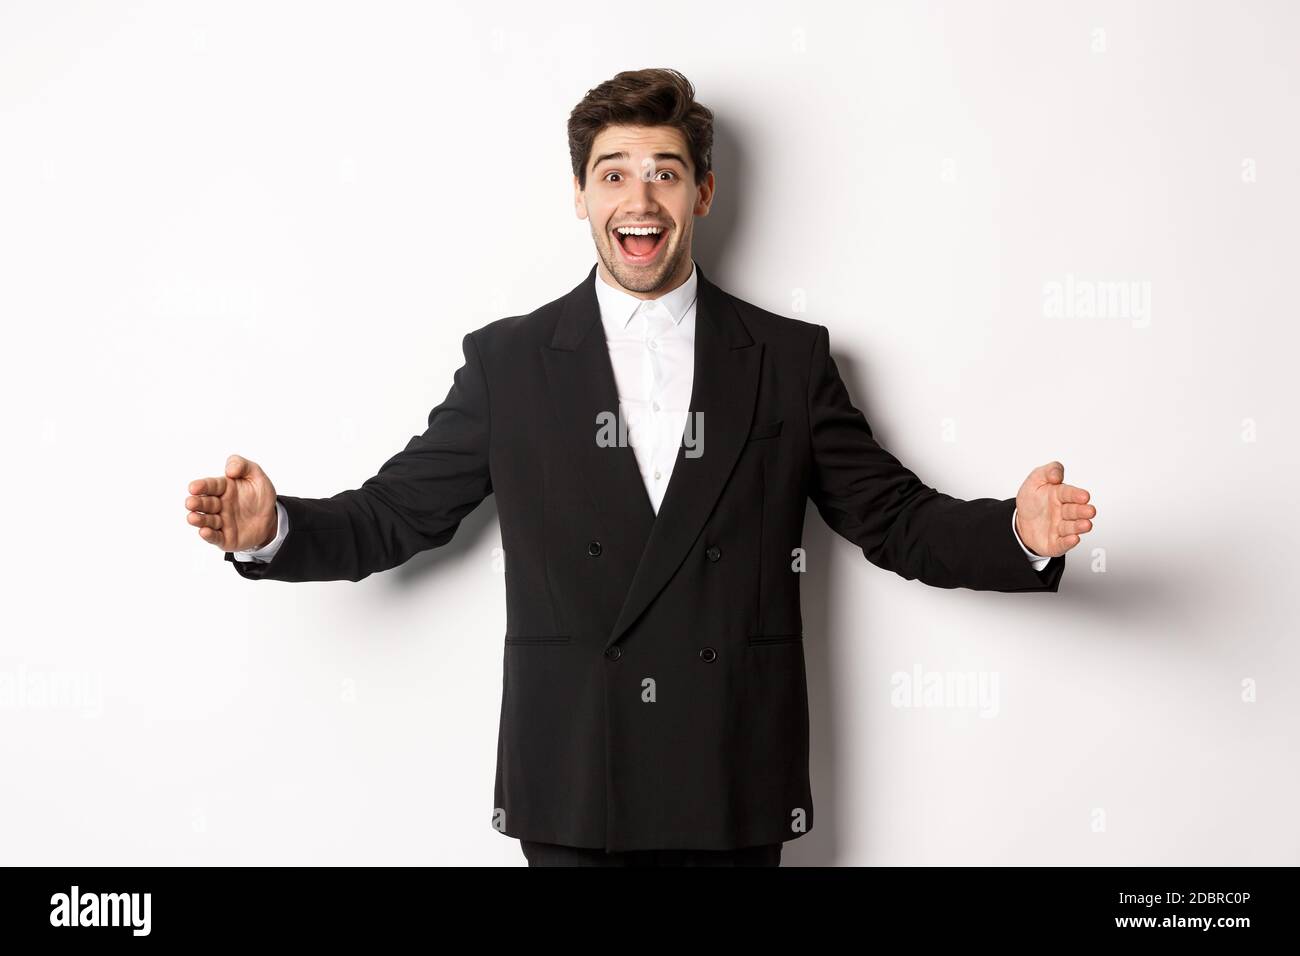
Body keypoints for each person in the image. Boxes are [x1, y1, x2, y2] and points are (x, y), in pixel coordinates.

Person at [185, 68, 1096, 867]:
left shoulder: (786, 358)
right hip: (577, 779)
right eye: (613, 174)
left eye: (664, 173)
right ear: (579, 194)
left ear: (702, 192)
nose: (640, 199)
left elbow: (894, 519)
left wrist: (1016, 533)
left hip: (732, 773)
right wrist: (276, 531)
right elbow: (397, 514)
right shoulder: (507, 364)